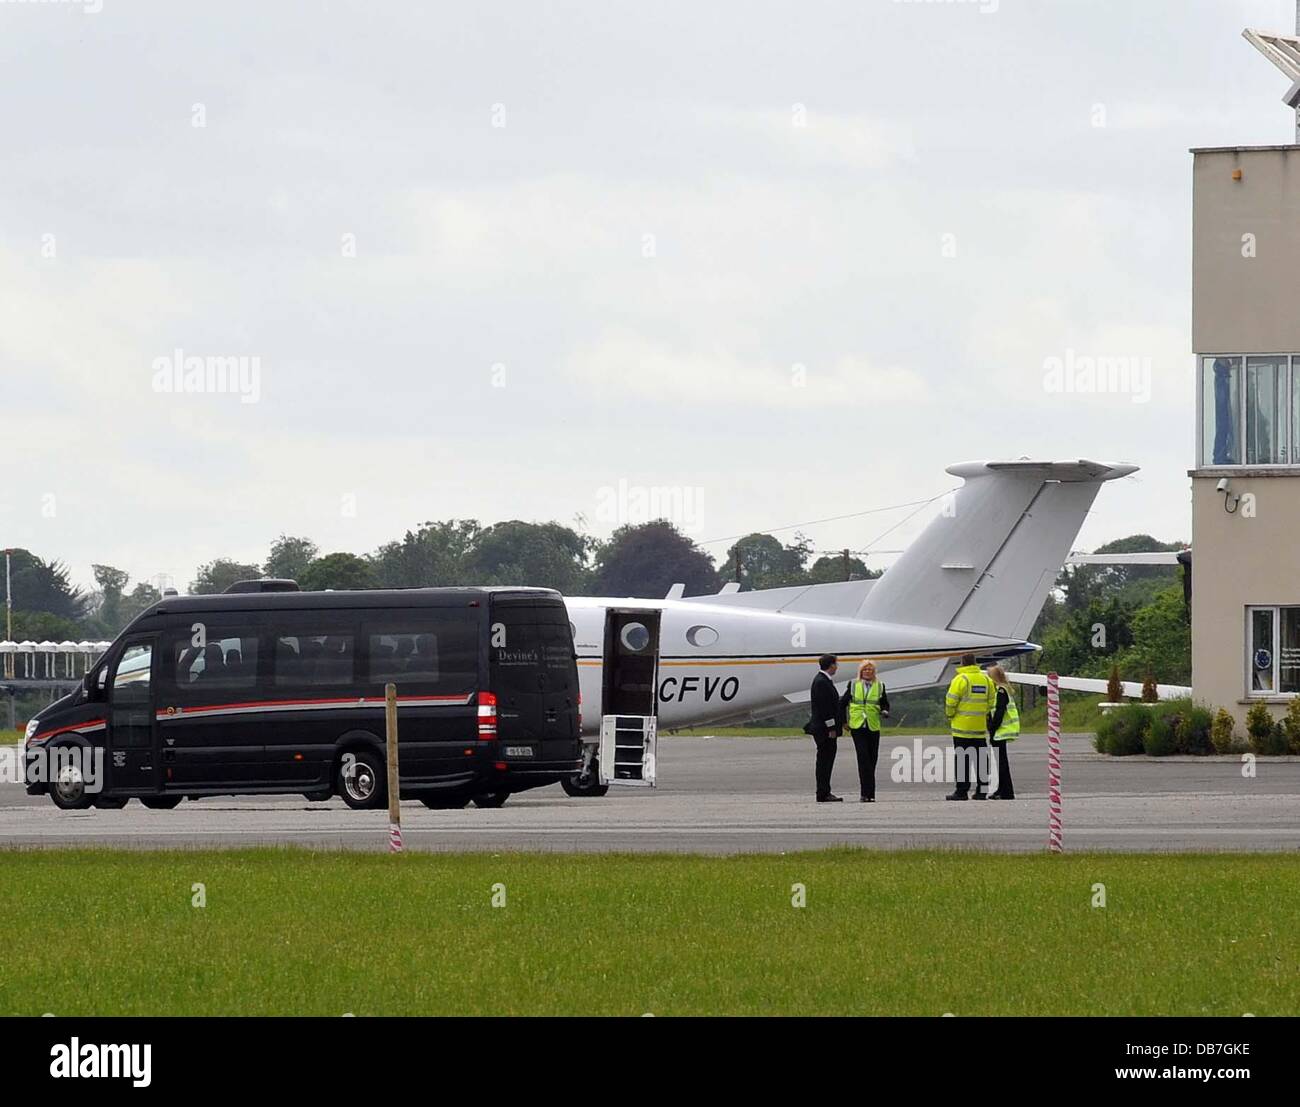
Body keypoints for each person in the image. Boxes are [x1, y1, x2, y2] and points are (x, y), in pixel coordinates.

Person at [944, 653, 992, 800]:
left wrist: (950, 715)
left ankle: (961, 791)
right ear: (975, 663)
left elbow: (951, 701)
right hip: (979, 728)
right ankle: (982, 791)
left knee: (962, 761)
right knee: (981, 761)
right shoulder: (986, 679)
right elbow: (991, 701)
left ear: (962, 663)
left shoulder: (960, 679)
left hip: (962, 729)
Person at [840, 659, 889, 802]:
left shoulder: (880, 686)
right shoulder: (854, 685)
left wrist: (885, 711)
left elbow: (884, 702)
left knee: (872, 759)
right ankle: (865, 793)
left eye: (870, 670)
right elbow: (842, 704)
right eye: (865, 670)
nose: (868, 672)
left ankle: (870, 794)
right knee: (863, 759)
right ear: (860, 672)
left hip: (873, 725)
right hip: (858, 726)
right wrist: (843, 722)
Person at [804, 653, 843, 802]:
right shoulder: (821, 682)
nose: (837, 667)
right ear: (831, 665)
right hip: (824, 729)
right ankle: (823, 792)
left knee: (826, 760)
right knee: (825, 760)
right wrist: (831, 728)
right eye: (836, 664)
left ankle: (825, 791)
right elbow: (825, 708)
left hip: (823, 728)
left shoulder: (823, 680)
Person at [984, 664, 1017, 800]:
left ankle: (1007, 791)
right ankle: (1002, 789)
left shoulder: (1001, 691)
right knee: (1001, 762)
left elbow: (999, 712)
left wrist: (992, 727)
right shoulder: (1002, 690)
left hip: (1000, 731)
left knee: (1002, 763)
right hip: (1000, 731)